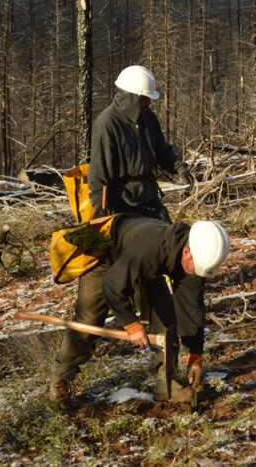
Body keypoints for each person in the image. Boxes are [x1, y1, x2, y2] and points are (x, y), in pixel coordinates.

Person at [49, 219, 230, 403]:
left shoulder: (196, 260)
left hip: (144, 268)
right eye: (195, 269)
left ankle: (165, 384)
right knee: (87, 321)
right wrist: (131, 324)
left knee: (165, 319)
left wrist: (195, 356)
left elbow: (191, 309)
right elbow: (112, 285)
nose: (196, 273)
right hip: (106, 258)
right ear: (186, 252)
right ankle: (60, 382)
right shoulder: (151, 248)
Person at [88, 65, 195, 224]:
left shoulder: (148, 118)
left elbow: (161, 149)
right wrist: (104, 214)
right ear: (132, 97)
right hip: (122, 204)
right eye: (146, 97)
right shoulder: (107, 124)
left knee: (167, 237)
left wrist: (179, 167)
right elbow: (98, 177)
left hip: (149, 197)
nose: (150, 102)